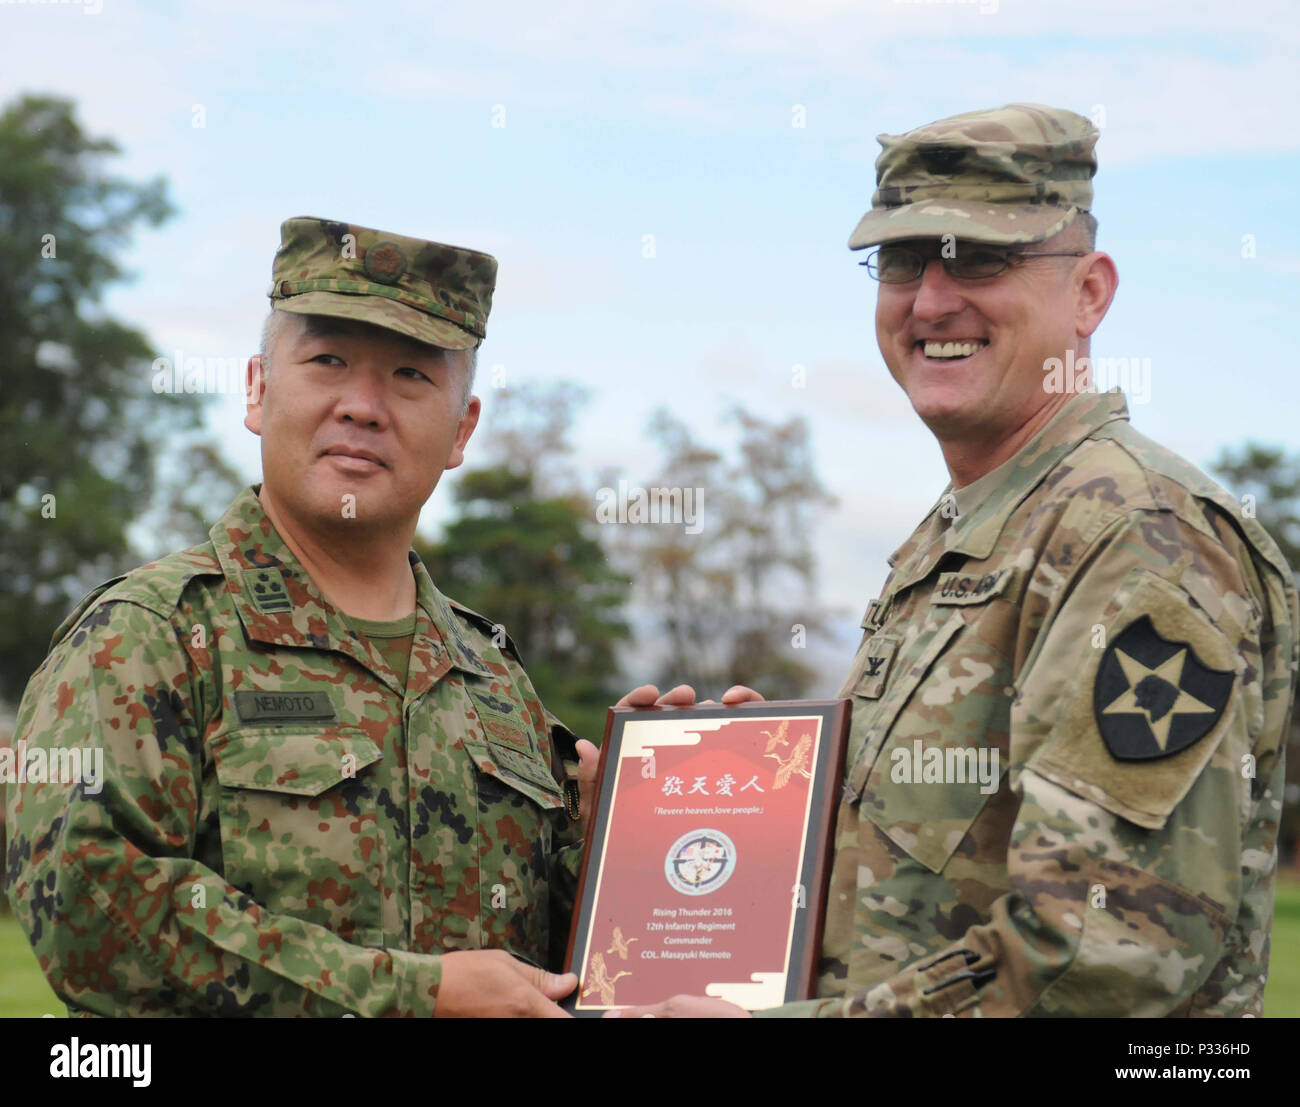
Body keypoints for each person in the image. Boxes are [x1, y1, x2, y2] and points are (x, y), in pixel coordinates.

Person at [613, 103, 1299, 1017]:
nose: (932, 299)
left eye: (982, 257)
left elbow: (1104, 953)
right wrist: (726, 800)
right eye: (902, 260)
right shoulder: (968, 533)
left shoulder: (1138, 531)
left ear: (1090, 293)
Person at [3, 217, 599, 1017]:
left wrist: (630, 829)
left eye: (411, 376)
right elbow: (95, 908)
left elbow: (565, 958)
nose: (362, 406)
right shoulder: (148, 636)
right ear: (257, 389)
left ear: (461, 430)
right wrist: (413, 996)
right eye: (327, 361)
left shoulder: (493, 675)